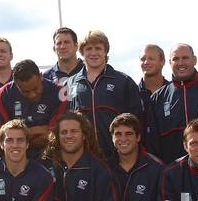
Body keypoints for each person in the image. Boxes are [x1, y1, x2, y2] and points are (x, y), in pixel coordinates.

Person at [61, 29, 143, 160]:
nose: (93, 53)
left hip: (117, 158)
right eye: (89, 49)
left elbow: (137, 121)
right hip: (83, 157)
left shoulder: (124, 82)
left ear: (105, 52)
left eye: (98, 48)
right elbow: (63, 121)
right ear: (82, 52)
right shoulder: (69, 84)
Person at [145, 43, 198, 161]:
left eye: (185, 58)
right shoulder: (158, 98)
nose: (180, 63)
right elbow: (152, 144)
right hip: (173, 173)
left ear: (194, 60)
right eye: (175, 59)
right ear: (169, 62)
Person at [0, 59, 64, 154]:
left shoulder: (59, 93)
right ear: (16, 84)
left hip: (51, 157)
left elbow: (57, 135)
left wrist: (18, 136)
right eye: (25, 92)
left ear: (41, 76)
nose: (32, 95)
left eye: (35, 89)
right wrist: (39, 129)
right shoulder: (3, 94)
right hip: (17, 159)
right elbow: (0, 135)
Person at [138, 44, 168, 109]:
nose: (146, 62)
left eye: (151, 59)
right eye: (143, 59)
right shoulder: (133, 93)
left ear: (162, 62)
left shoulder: (173, 92)